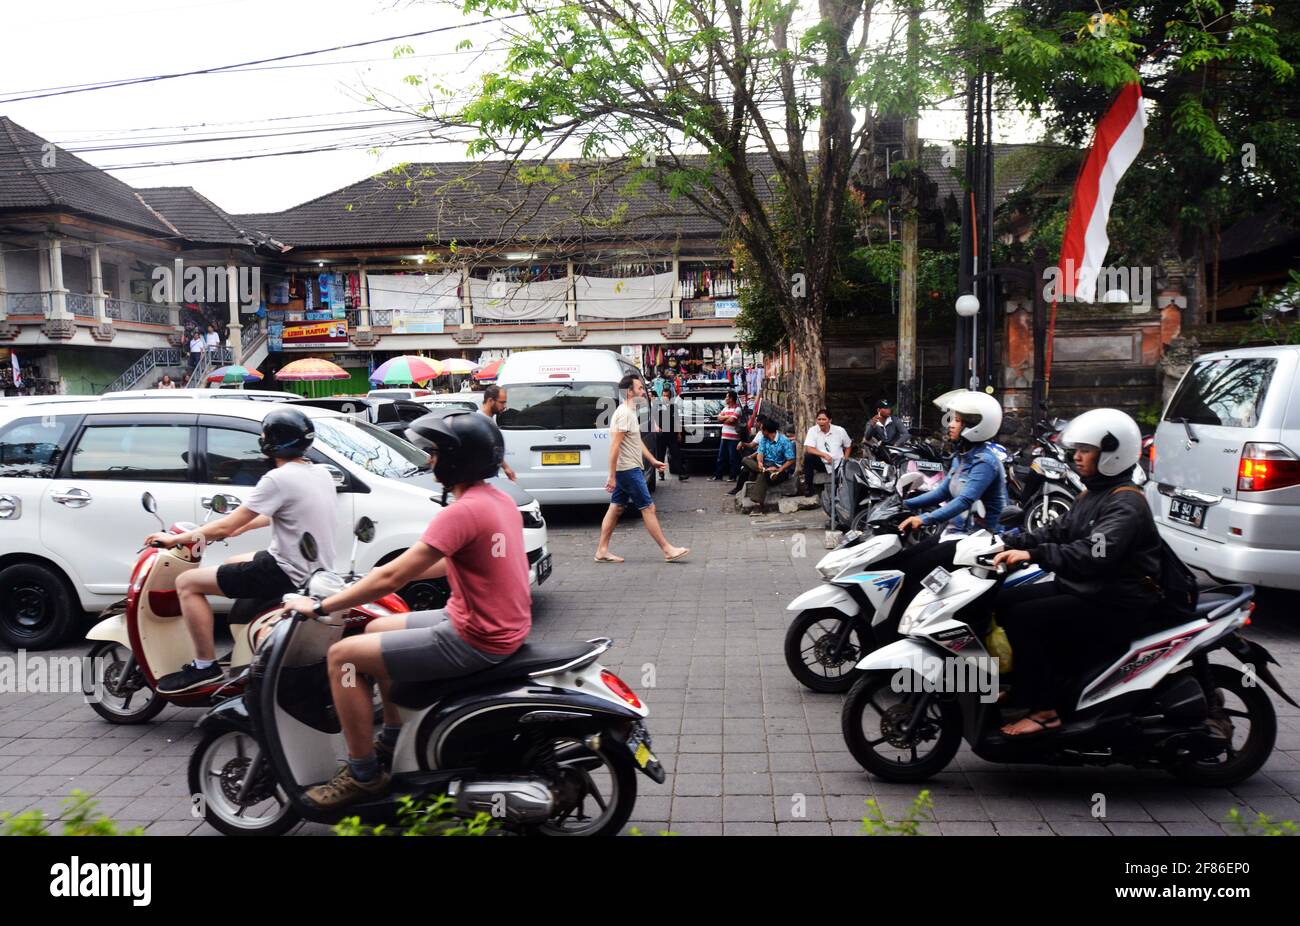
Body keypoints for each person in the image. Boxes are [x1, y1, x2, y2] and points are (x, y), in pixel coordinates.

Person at [282, 410, 532, 807]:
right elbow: (445, 561)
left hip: (474, 636)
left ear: (455, 459)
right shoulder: (496, 501)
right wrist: (376, 574)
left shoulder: (462, 511)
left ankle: (363, 774)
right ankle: (393, 741)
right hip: (492, 623)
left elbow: (391, 580)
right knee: (376, 630)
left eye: (435, 453)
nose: (431, 460)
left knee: (342, 657)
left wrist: (321, 604)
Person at [992, 408, 1160, 737]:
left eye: (1086, 451)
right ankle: (1031, 686)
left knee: (1026, 618)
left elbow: (1094, 554)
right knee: (1006, 600)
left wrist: (1033, 554)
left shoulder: (1125, 503)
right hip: (1091, 588)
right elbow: (1058, 529)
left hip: (1117, 600)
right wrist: (1008, 542)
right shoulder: (1093, 492)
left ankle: (1045, 712)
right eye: (1077, 450)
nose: (1077, 457)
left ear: (1112, 454)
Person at [146, 408, 338, 694]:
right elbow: (278, 513)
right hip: (315, 569)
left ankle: (204, 666)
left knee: (186, 583)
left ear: (271, 441)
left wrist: (176, 539)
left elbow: (224, 527)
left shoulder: (278, 478)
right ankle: (243, 649)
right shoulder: (319, 473)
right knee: (235, 561)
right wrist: (242, 527)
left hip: (286, 571)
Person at [874, 391, 1008, 637]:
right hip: (954, 535)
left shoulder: (985, 462)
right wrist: (906, 503)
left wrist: (924, 519)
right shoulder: (963, 456)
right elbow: (943, 491)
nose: (951, 424)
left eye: (957, 420)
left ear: (975, 425)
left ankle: (899, 633)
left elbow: (965, 500)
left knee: (914, 573)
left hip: (975, 543)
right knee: (900, 563)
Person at [594, 372, 690, 564]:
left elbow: (636, 442)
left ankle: (601, 550)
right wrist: (611, 476)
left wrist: (652, 460)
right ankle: (667, 549)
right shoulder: (623, 414)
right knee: (648, 508)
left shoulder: (629, 413)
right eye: (639, 388)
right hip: (628, 469)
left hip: (628, 468)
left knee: (616, 508)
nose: (643, 392)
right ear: (630, 392)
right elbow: (615, 447)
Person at [738, 417, 796, 514]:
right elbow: (760, 453)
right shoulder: (764, 439)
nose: (760, 431)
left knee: (762, 475)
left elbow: (791, 460)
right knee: (745, 460)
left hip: (779, 470)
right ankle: (766, 471)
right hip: (766, 466)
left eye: (761, 429)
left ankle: (758, 505)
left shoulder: (783, 440)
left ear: (766, 431)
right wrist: (760, 463)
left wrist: (778, 469)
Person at [802, 408, 853, 496]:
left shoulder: (840, 430)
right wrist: (824, 455)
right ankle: (808, 487)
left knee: (839, 482)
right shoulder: (812, 430)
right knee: (808, 457)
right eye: (819, 419)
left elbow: (848, 446)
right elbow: (809, 448)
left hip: (837, 463)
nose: (821, 422)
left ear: (830, 420)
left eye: (824, 419)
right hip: (822, 463)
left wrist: (845, 459)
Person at [478, 384, 518, 482]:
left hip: (491, 473)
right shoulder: (480, 422)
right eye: (502, 403)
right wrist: (506, 468)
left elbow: (494, 449)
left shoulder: (491, 419)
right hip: (485, 475)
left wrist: (506, 468)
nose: (504, 406)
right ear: (491, 401)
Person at [710, 389, 743, 482]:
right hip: (724, 436)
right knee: (721, 457)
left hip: (733, 437)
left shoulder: (738, 409)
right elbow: (718, 418)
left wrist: (724, 418)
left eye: (727, 397)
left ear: (731, 398)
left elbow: (732, 420)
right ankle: (718, 475)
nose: (726, 399)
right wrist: (727, 417)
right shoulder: (725, 408)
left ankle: (732, 476)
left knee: (733, 458)